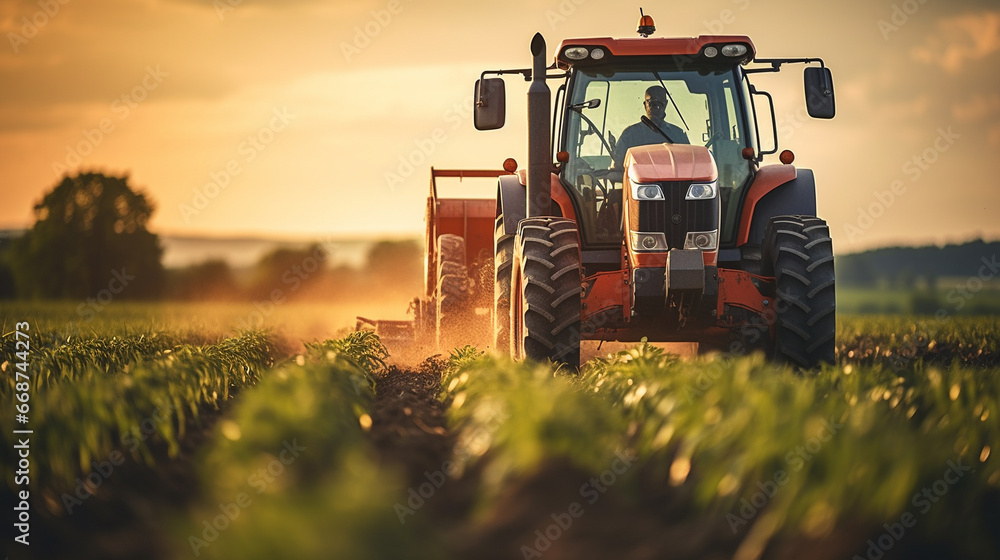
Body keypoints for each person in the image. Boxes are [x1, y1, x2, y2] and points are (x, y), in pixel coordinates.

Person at [611, 85, 690, 170]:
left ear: (666, 104)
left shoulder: (678, 135)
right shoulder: (630, 135)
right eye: (651, 103)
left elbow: (690, 166)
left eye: (660, 103)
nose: (656, 107)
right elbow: (617, 170)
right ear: (645, 104)